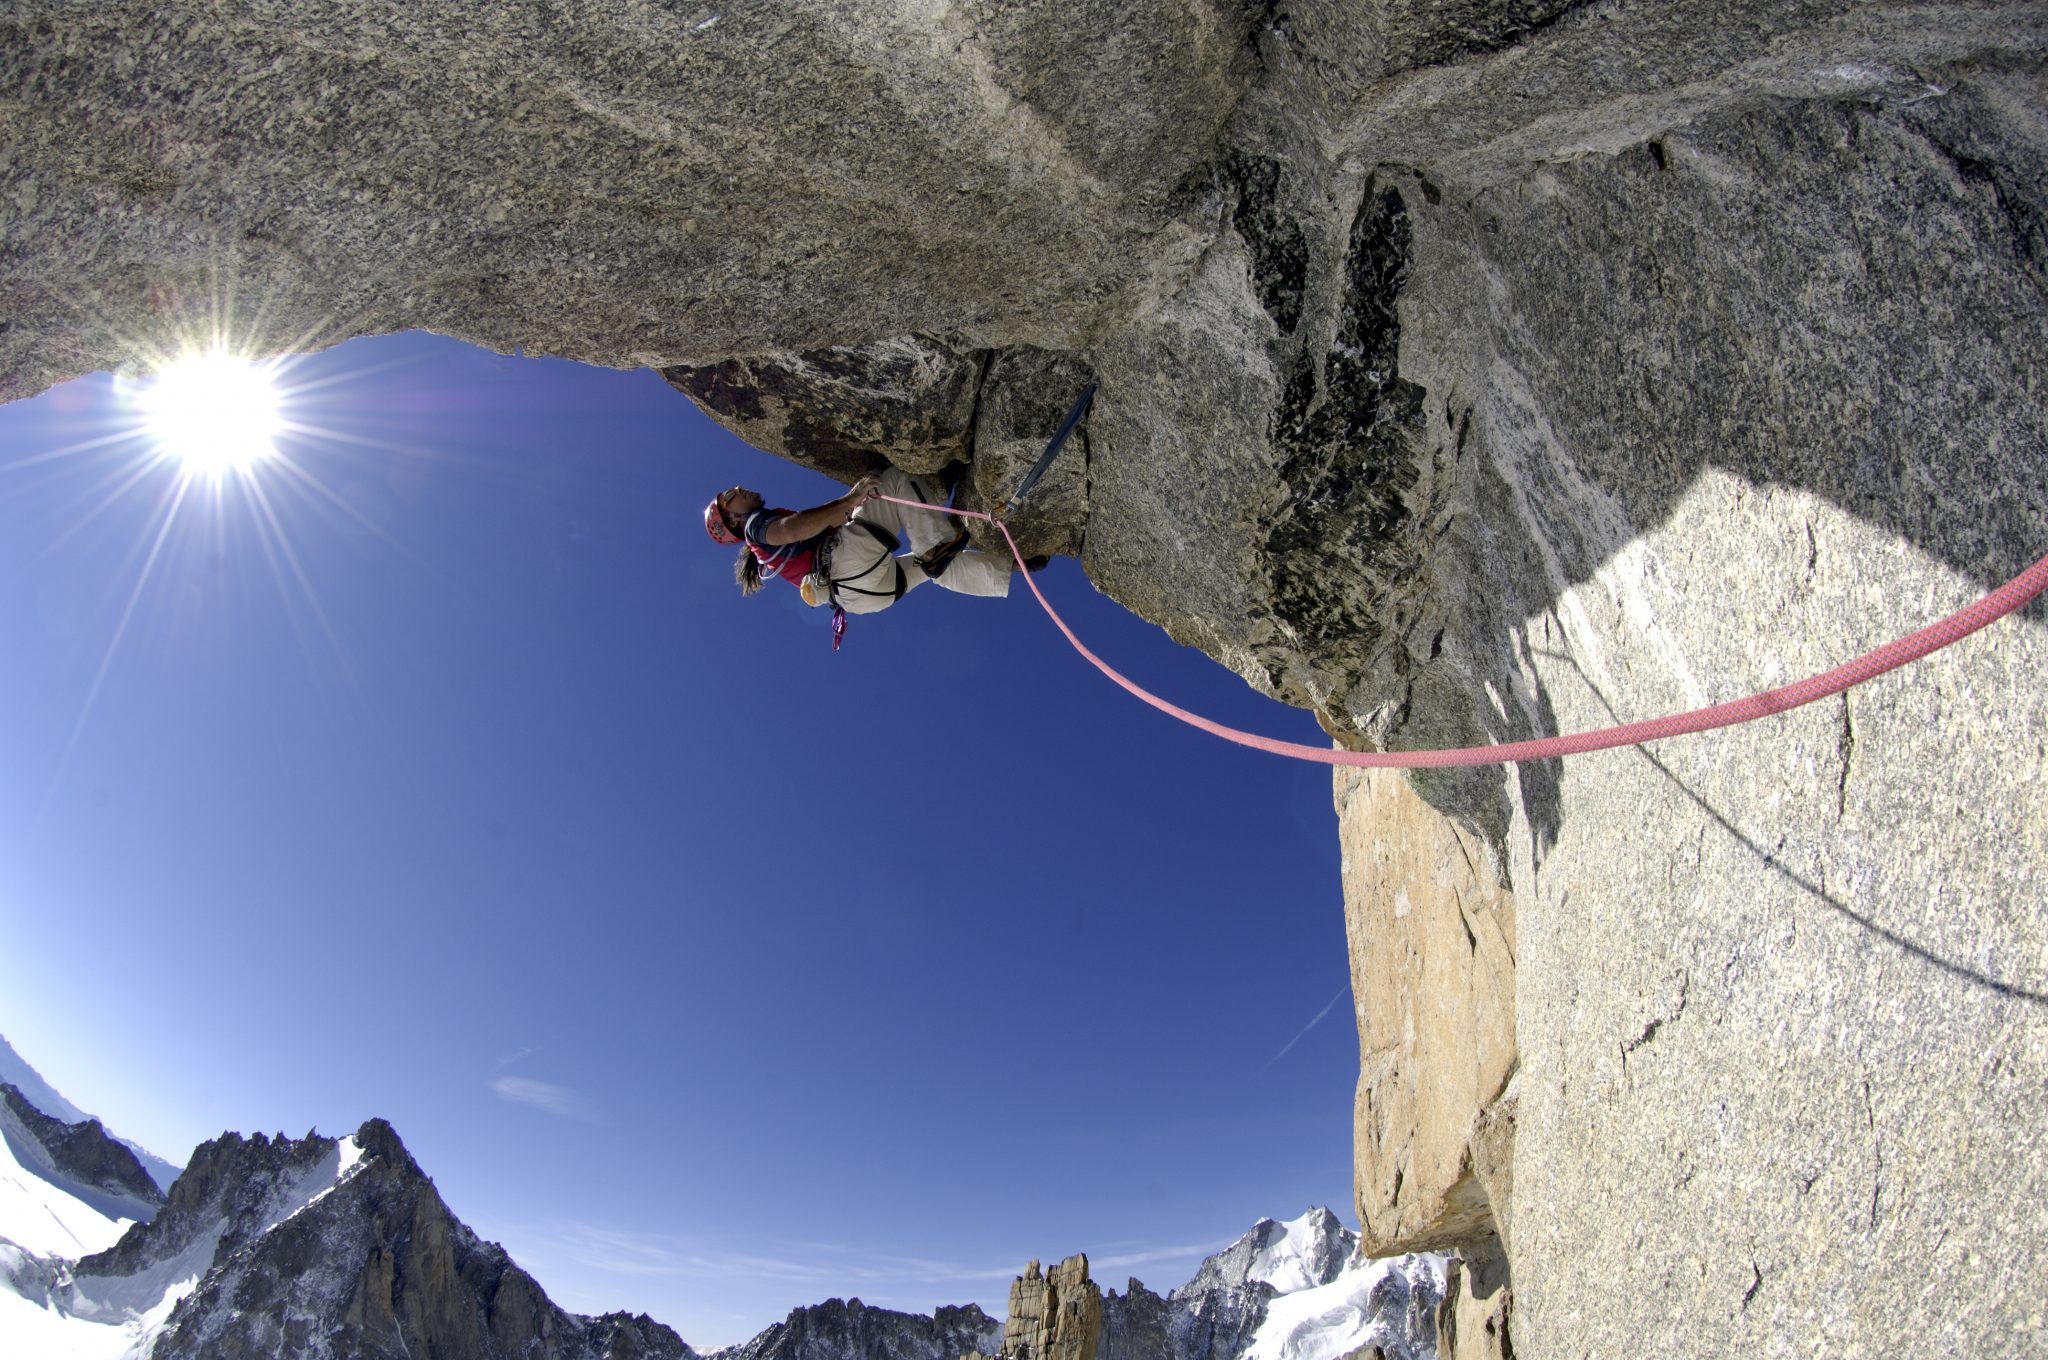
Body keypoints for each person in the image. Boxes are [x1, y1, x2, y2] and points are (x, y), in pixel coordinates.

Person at [704, 467, 1012, 640]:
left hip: (862, 598)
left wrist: (851, 508)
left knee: (933, 569)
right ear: (732, 519)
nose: (738, 488)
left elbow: (822, 526)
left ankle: (1010, 569)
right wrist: (853, 497)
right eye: (730, 497)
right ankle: (934, 543)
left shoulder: (765, 550)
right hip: (847, 566)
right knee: (892, 480)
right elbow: (792, 530)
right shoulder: (755, 526)